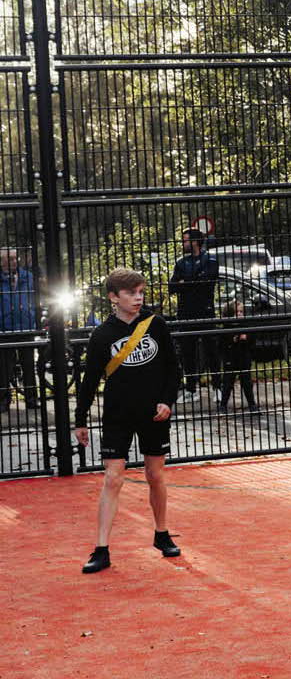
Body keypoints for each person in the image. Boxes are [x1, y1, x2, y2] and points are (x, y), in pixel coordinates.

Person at [72, 268, 182, 574]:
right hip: (117, 415)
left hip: (153, 413)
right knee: (113, 477)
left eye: (141, 292)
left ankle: (162, 534)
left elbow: (173, 368)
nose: (138, 298)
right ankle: (101, 549)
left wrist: (166, 400)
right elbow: (89, 380)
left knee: (155, 474)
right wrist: (80, 419)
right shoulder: (102, 335)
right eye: (131, 293)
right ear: (113, 297)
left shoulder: (155, 325)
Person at [168, 227, 220, 401]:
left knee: (211, 351)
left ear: (196, 241)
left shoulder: (210, 259)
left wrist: (186, 282)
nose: (183, 243)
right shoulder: (181, 262)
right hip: (185, 313)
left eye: (186, 240)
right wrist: (193, 281)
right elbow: (172, 286)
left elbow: (208, 281)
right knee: (187, 353)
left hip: (205, 311)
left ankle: (217, 387)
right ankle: (191, 390)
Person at [0, 247, 36, 406]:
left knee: (28, 365)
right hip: (4, 326)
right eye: (9, 258)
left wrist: (33, 314)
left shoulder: (27, 276)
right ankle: (3, 400)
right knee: (4, 367)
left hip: (25, 324)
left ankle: (31, 399)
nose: (14, 261)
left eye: (15, 258)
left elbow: (36, 296)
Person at [215, 299, 257, 412]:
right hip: (230, 359)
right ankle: (223, 405)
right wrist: (233, 339)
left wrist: (246, 338)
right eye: (237, 312)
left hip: (244, 358)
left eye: (241, 312)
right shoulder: (225, 328)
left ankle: (252, 404)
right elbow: (221, 345)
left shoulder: (246, 325)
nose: (240, 314)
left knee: (247, 382)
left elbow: (253, 341)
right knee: (228, 383)